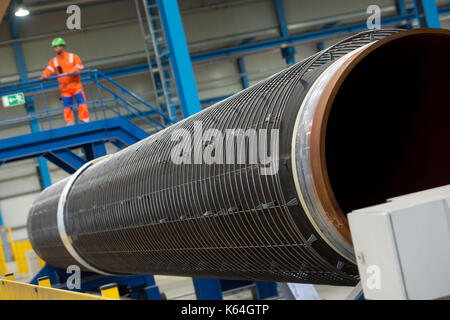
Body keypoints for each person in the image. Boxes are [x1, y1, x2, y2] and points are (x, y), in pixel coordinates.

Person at [40, 37, 89, 125]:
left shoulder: (73, 56)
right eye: (54, 47)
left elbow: (80, 66)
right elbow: (49, 69)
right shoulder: (54, 61)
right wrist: (44, 75)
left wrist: (72, 71)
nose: (55, 48)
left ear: (62, 46)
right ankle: (70, 121)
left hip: (76, 86)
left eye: (57, 46)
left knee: (81, 103)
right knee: (67, 107)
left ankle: (84, 119)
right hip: (64, 89)